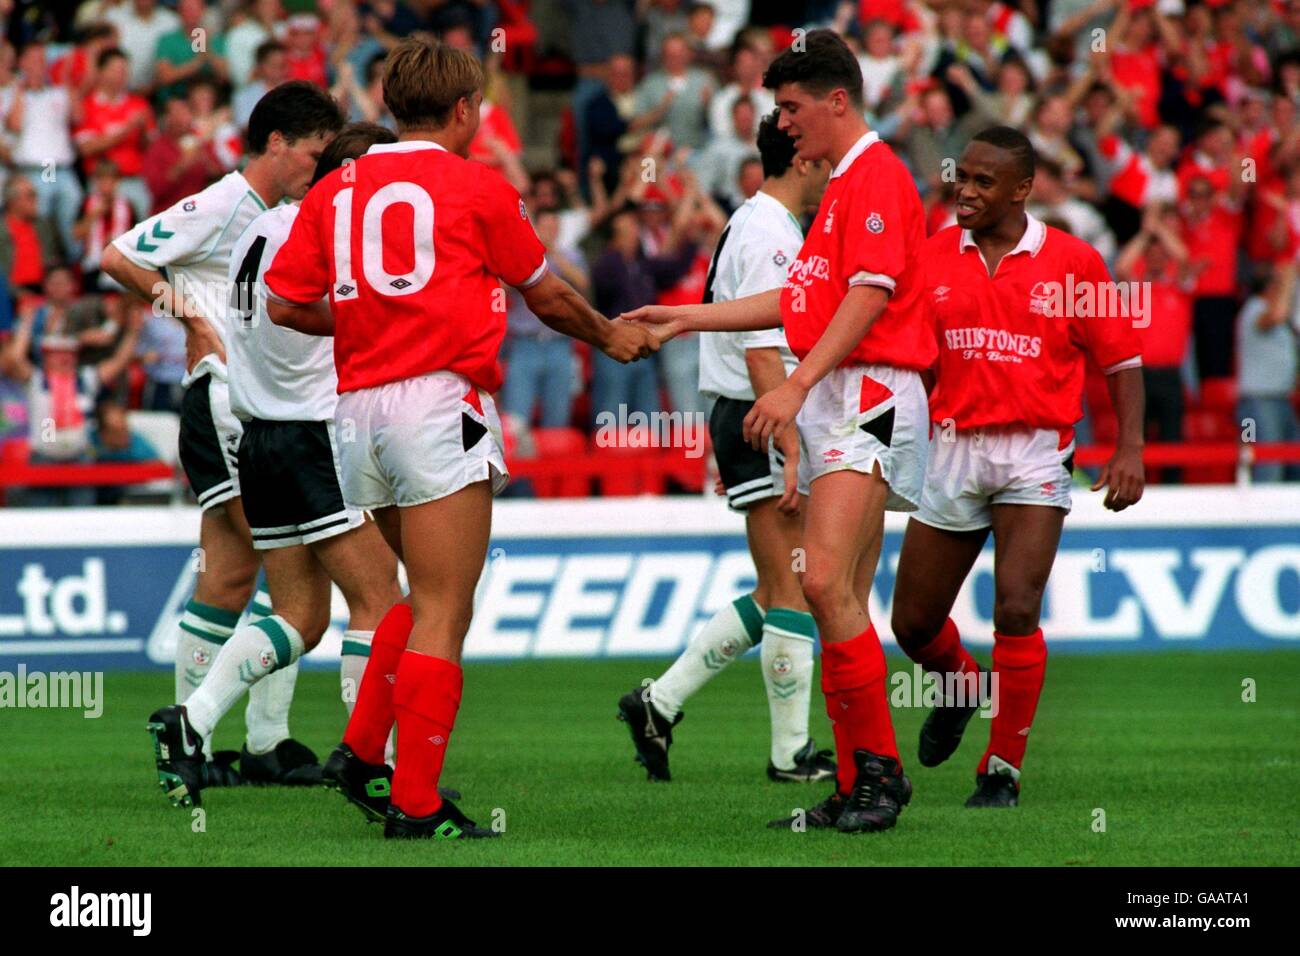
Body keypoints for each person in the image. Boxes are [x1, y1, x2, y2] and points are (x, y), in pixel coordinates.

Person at [261, 38, 658, 839]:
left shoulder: (336, 186)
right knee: (447, 608)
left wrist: (372, 317)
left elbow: (281, 303)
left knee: (414, 599)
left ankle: (362, 753)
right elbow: (544, 295)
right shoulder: (478, 185)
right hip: (438, 402)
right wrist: (612, 338)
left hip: (357, 413)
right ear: (465, 110)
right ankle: (415, 804)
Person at [624, 30, 936, 834]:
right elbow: (798, 303)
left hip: (865, 392)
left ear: (838, 101)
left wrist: (795, 386)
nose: (783, 124)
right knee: (839, 597)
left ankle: (874, 775)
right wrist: (683, 318)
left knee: (822, 583)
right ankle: (864, 777)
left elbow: (866, 299)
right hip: (849, 392)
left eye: (792, 108)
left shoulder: (872, 177)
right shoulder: (839, 189)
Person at [145, 123, 408, 809]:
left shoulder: (256, 233)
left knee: (299, 615)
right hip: (313, 434)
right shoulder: (330, 232)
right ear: (353, 172)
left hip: (257, 437)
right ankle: (371, 765)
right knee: (381, 599)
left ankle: (191, 722)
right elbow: (348, 316)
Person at [890, 127, 1145, 809]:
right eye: (961, 178)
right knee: (912, 626)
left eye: (982, 182)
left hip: (1035, 451)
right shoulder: (930, 256)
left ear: (1022, 190)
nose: (964, 192)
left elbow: (1121, 360)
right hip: (951, 450)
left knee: (1017, 607)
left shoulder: (1075, 262)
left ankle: (1001, 766)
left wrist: (1129, 448)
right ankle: (963, 685)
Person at [102, 81, 344, 794]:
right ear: (276, 143)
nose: (317, 167)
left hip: (247, 406)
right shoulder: (223, 201)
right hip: (229, 407)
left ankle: (208, 740)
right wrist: (191, 318)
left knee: (232, 573)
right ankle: (238, 735)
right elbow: (119, 257)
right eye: (311, 153)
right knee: (294, 566)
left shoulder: (275, 211)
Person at [618, 110, 836, 785]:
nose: (830, 169)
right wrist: (790, 440)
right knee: (795, 588)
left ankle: (659, 702)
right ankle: (789, 755)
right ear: (801, 160)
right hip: (758, 409)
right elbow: (764, 342)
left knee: (779, 588)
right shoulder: (772, 232)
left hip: (741, 411)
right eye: (823, 158)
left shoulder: (754, 221)